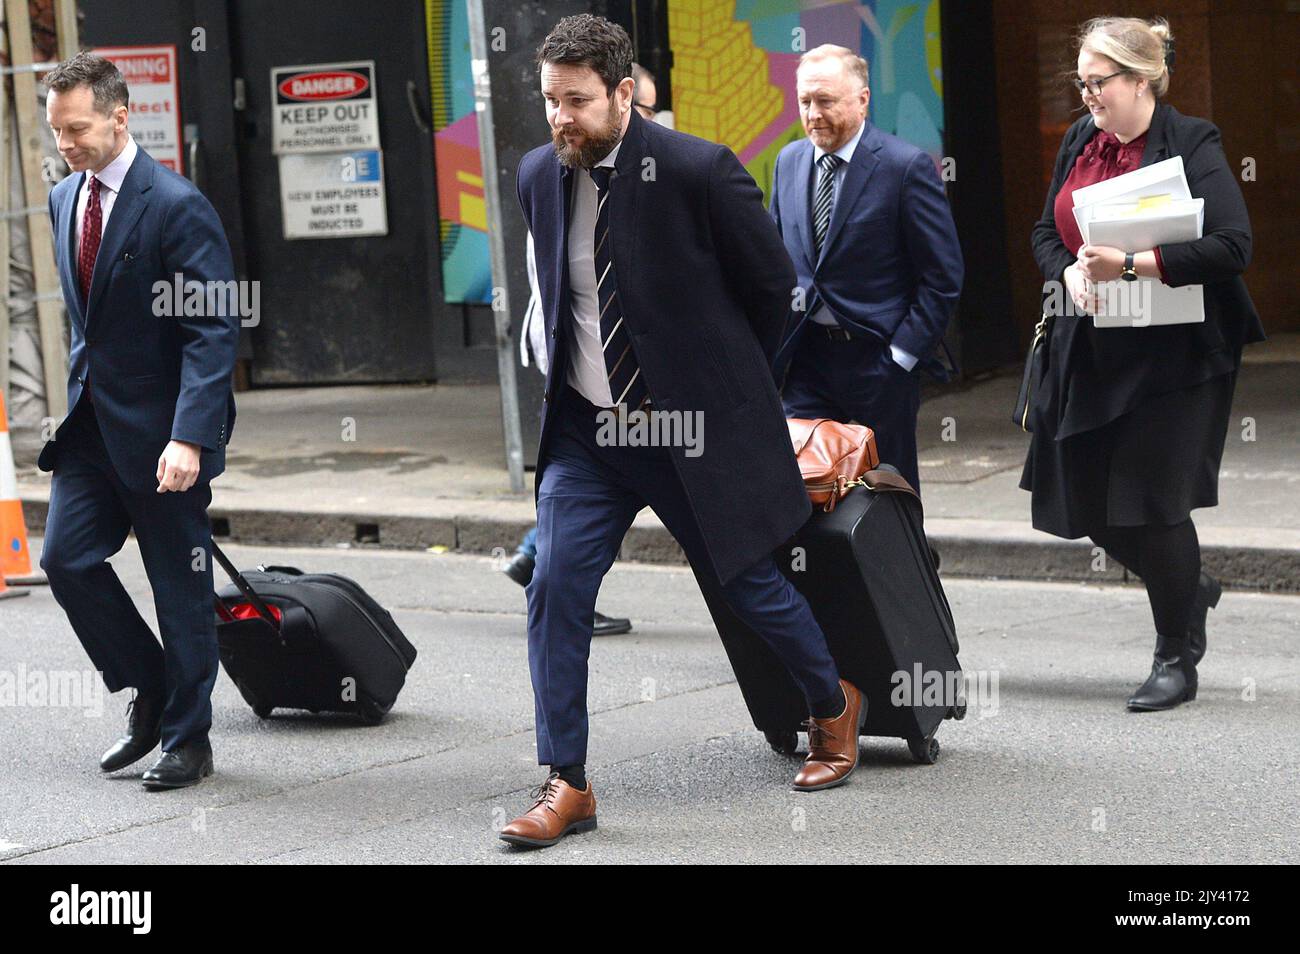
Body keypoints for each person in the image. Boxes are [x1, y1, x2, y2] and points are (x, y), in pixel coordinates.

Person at [502, 14, 864, 849]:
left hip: (689, 432)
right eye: (551, 101)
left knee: (749, 586)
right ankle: (568, 781)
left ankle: (831, 703)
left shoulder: (699, 170)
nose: (562, 117)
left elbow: (773, 289)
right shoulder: (536, 176)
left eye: (579, 102)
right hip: (590, 435)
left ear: (624, 94)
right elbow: (560, 299)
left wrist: (729, 390)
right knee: (554, 587)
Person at [1022, 17, 1264, 712]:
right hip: (1090, 345)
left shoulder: (1192, 141)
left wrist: (1134, 262)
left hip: (1176, 357)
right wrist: (1066, 270)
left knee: (1154, 504)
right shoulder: (1080, 141)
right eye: (1083, 81)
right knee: (1079, 493)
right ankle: (1186, 583)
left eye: (1099, 82)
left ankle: (1175, 656)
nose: (1088, 95)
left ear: (1141, 80)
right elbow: (1045, 230)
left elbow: (1233, 245)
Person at [38, 53, 239, 787]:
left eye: (79, 128)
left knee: (177, 584)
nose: (67, 144)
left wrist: (190, 434)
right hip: (92, 429)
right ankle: (150, 688)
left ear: (121, 116)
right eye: (57, 130)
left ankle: (189, 738)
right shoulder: (66, 199)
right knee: (65, 559)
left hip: (164, 437)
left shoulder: (176, 204)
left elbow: (213, 331)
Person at [769, 44, 963, 492]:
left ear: (862, 99)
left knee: (889, 489)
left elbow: (942, 276)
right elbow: (777, 263)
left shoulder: (904, 167)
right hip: (808, 359)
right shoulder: (789, 161)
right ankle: (815, 565)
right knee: (800, 485)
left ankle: (907, 563)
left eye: (825, 101)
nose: (813, 114)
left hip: (878, 357)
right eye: (804, 102)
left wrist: (901, 357)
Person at [505, 233, 633, 637]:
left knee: (600, 482)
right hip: (577, 353)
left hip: (570, 349)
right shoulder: (558, 182)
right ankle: (542, 557)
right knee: (603, 483)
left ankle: (536, 552)